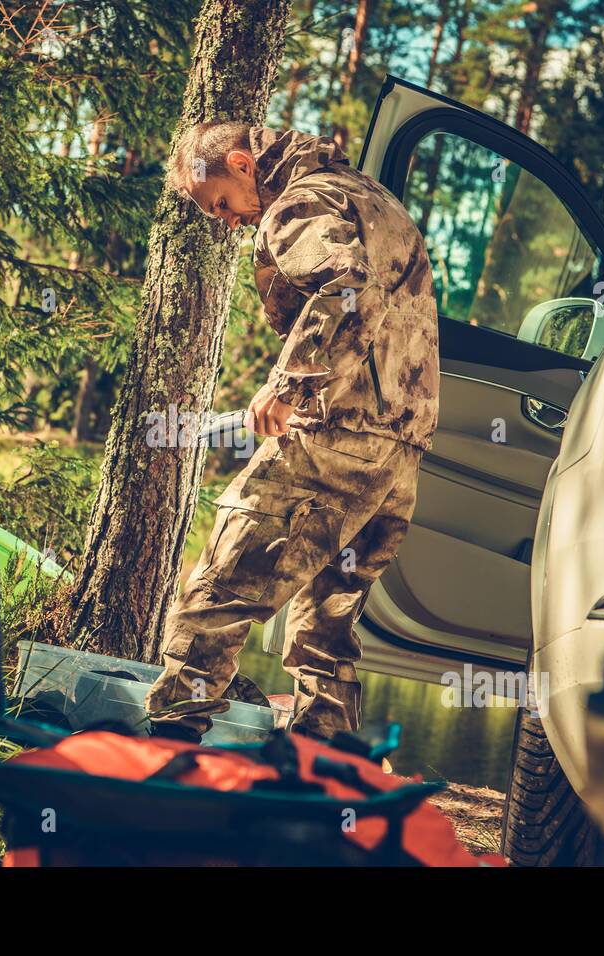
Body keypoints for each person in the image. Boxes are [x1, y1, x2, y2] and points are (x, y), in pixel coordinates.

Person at [143, 120, 440, 745]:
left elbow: (347, 287)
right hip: (400, 457)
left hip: (337, 436)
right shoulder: (372, 197)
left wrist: (288, 385)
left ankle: (168, 743)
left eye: (221, 202)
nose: (226, 219)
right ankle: (322, 758)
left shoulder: (298, 202)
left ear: (242, 162)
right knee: (326, 619)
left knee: (219, 587)